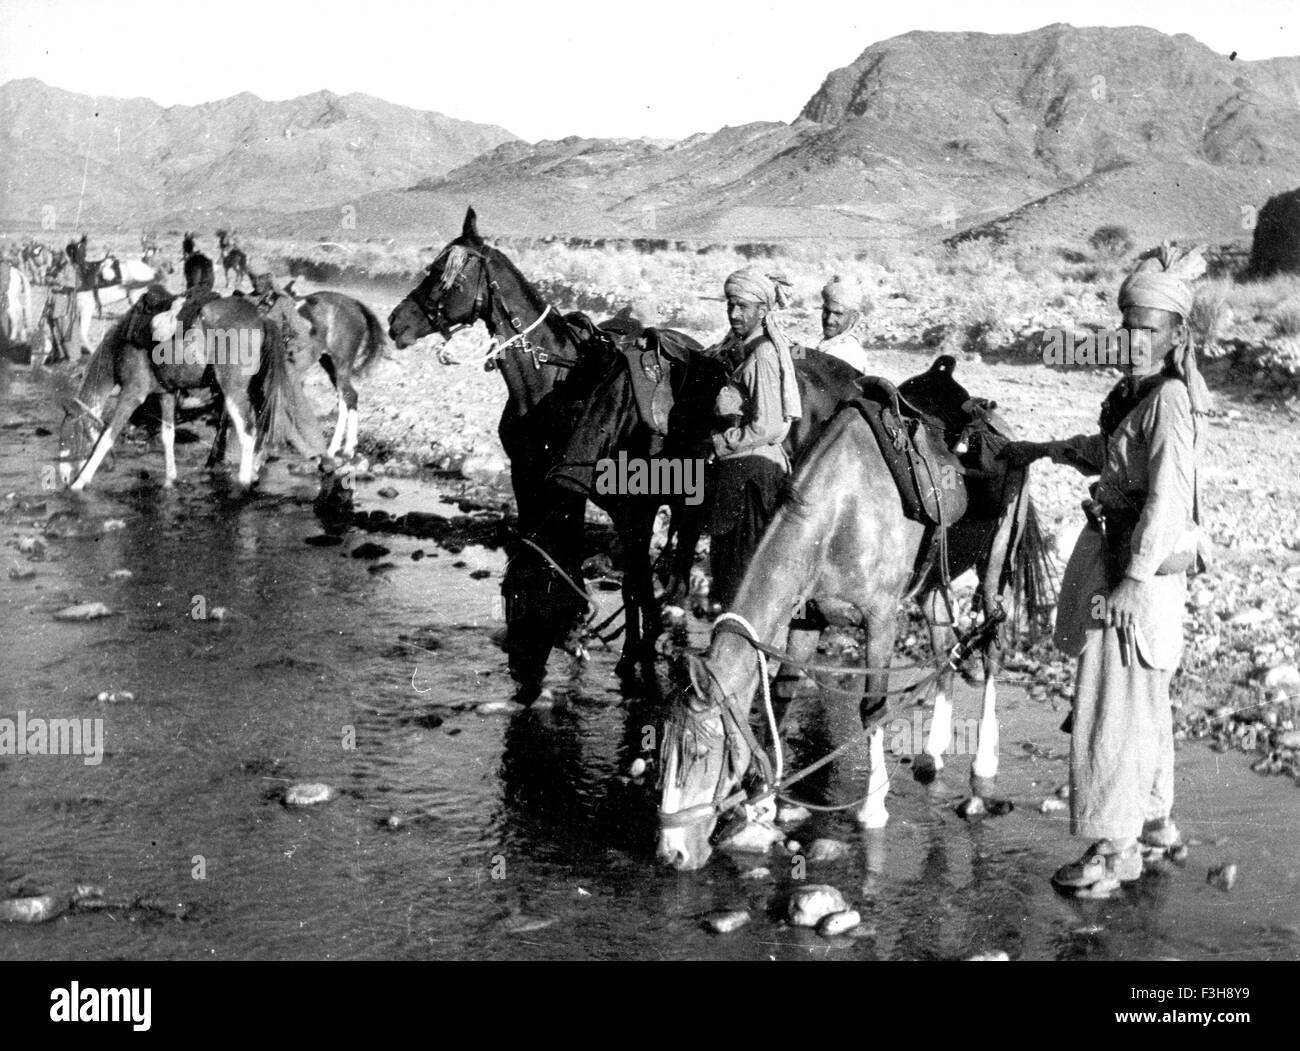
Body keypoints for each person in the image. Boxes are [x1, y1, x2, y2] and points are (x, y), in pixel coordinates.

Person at [1001, 243, 1210, 893]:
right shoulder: (1132, 394)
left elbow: (1168, 501)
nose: (1133, 339)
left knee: (1111, 701)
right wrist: (1056, 450)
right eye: (1127, 326)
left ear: (1175, 333)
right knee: (1142, 697)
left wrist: (1130, 582)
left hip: (1137, 568)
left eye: (1148, 329)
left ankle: (1113, 848)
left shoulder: (1169, 401)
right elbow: (1117, 461)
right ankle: (1154, 823)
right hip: (1127, 559)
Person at [702, 267, 802, 612]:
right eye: (730, 305)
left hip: (752, 477)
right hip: (741, 472)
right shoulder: (746, 349)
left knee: (741, 575)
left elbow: (769, 425)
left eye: (742, 306)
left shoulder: (761, 355)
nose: (733, 314)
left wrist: (718, 443)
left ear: (762, 310)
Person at [817, 274, 870, 373]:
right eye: (826, 311)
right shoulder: (829, 343)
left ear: (853, 318)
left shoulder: (846, 353)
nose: (829, 320)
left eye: (838, 314)